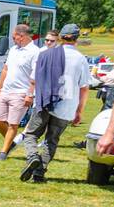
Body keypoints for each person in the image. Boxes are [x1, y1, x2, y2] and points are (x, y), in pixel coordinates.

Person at [20, 23, 90, 184]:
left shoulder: (46, 54)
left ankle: (32, 157)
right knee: (52, 140)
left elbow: (35, 79)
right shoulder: (80, 59)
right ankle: (39, 171)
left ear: (60, 37)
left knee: (31, 134)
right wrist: (79, 111)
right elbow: (84, 88)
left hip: (44, 101)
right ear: (76, 39)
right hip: (67, 106)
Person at [0, 23, 40, 160]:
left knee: (13, 123)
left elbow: (35, 75)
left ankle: (3, 152)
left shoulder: (35, 52)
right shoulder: (13, 49)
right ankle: (12, 143)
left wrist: (30, 94)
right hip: (6, 90)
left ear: (22, 36)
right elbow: (5, 69)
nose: (13, 39)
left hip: (21, 92)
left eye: (14, 37)